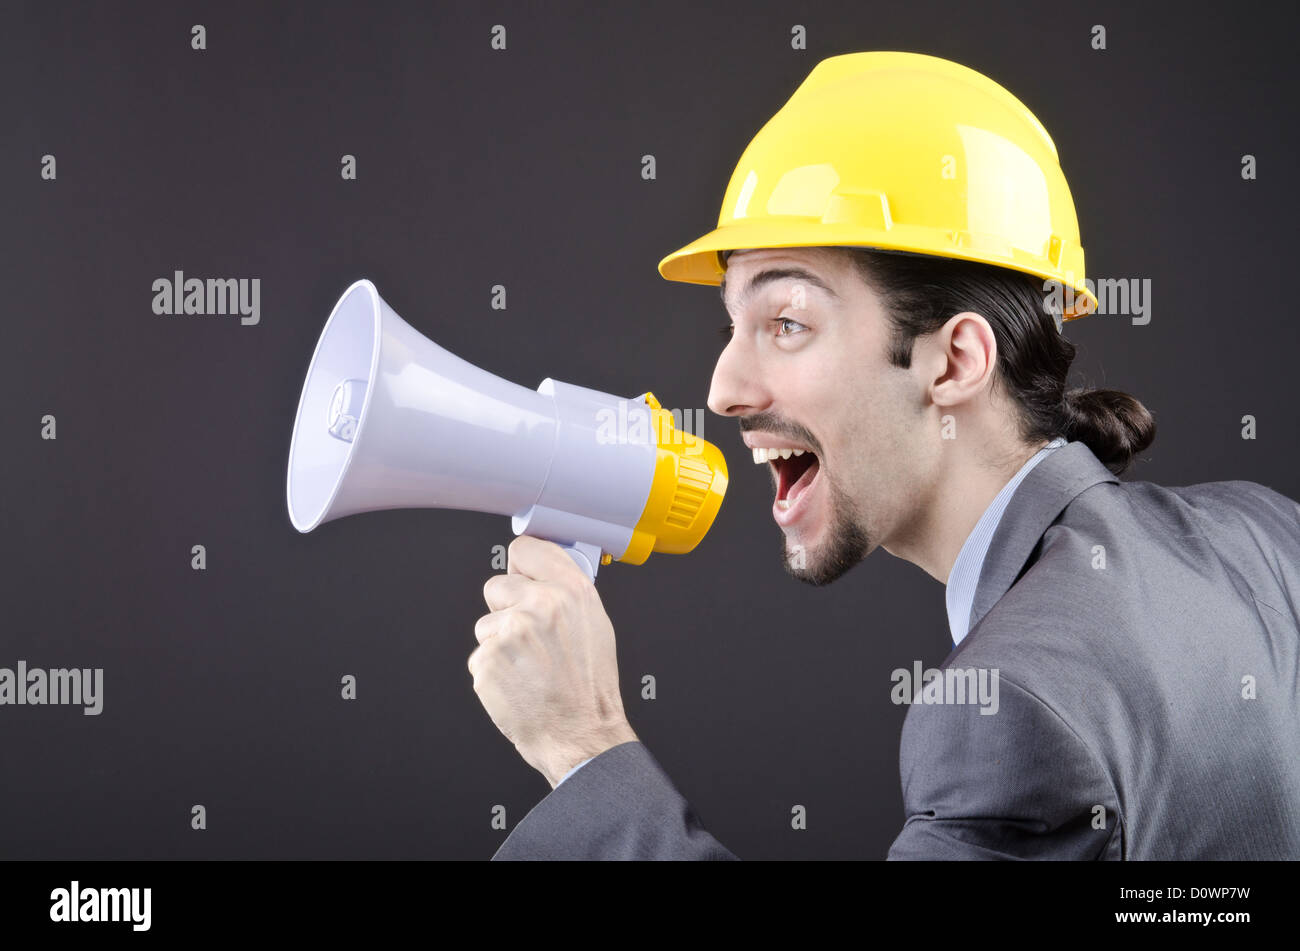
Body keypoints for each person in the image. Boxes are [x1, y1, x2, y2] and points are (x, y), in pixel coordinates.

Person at [468, 51, 1300, 859]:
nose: (722, 388)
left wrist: (582, 744)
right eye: (732, 326)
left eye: (786, 322)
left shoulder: (1007, 710)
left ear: (955, 362)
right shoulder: (1263, 532)